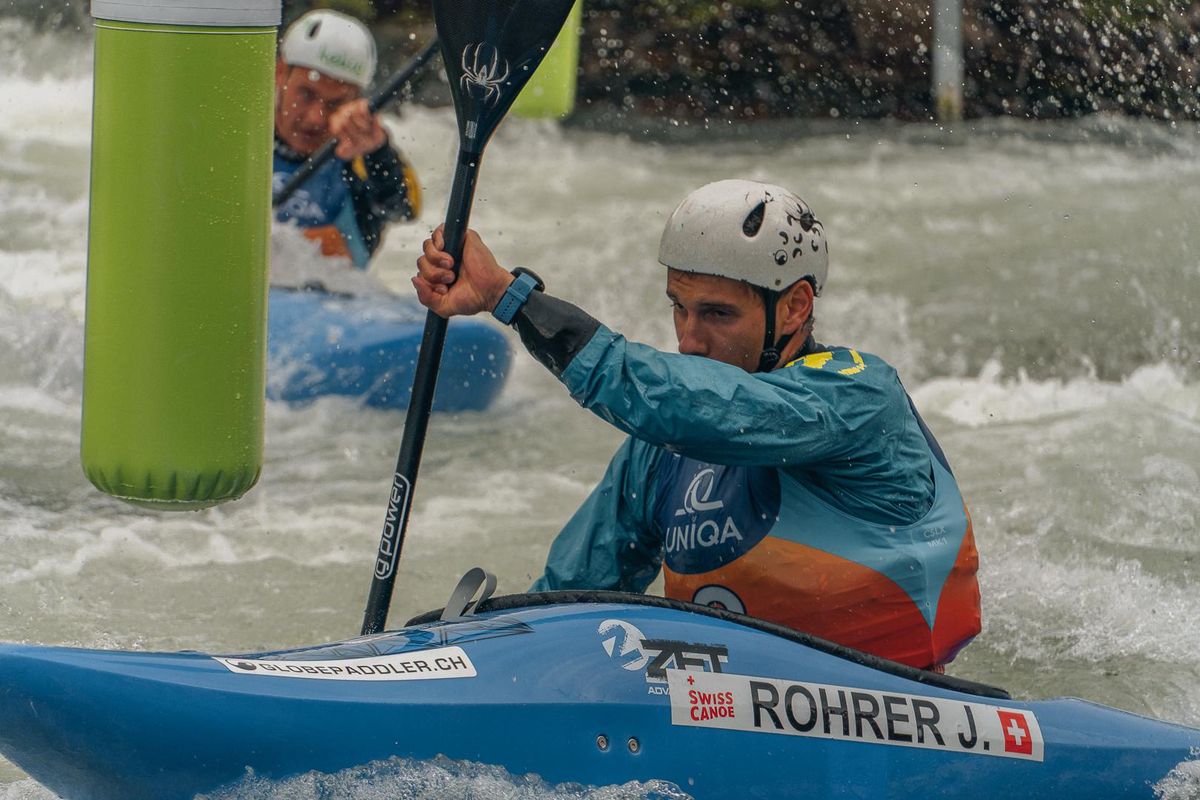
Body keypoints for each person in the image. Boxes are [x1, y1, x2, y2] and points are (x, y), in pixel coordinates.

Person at [412, 179, 981, 671]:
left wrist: (509, 297)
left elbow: (704, 406)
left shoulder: (858, 396)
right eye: (678, 308)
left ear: (795, 307)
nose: (688, 339)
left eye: (717, 313)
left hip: (902, 714)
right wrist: (466, 652)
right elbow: (568, 601)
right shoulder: (661, 454)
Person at [273, 9, 421, 268]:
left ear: (356, 100)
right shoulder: (240, 138)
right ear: (280, 72)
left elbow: (406, 209)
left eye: (334, 103)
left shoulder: (361, 157)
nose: (315, 119)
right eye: (306, 94)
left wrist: (379, 151)